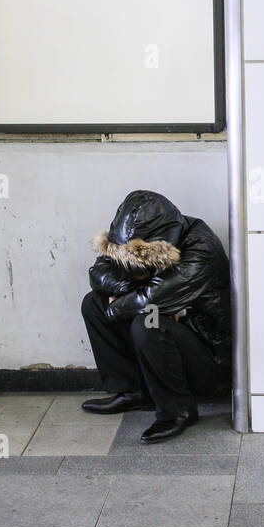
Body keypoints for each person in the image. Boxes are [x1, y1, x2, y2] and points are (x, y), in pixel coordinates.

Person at [80, 190, 231, 444]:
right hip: (170, 344)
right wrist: (128, 286)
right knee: (93, 303)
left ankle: (178, 411)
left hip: (210, 361)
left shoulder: (201, 248)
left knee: (148, 321)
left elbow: (148, 299)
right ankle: (133, 391)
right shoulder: (134, 235)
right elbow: (98, 272)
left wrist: (117, 304)